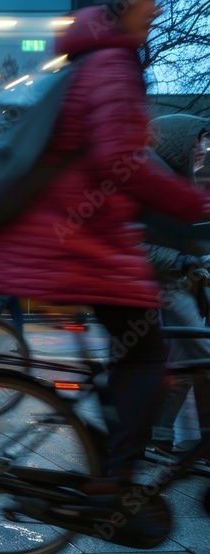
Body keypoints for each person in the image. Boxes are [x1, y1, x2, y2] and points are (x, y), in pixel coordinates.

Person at [0, 1, 210, 495]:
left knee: (132, 356)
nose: (158, 7)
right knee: (146, 356)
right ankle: (116, 481)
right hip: (89, 241)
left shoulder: (92, 57)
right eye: (148, 1)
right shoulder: (111, 63)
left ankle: (113, 454)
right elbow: (122, 160)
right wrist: (192, 203)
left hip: (84, 238)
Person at [141, 114, 210, 465]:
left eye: (203, 143)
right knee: (203, 356)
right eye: (195, 142)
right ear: (177, 143)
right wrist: (185, 260)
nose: (201, 149)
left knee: (187, 365)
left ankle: (160, 437)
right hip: (166, 287)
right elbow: (140, 244)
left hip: (179, 285)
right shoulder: (156, 184)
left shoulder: (177, 181)